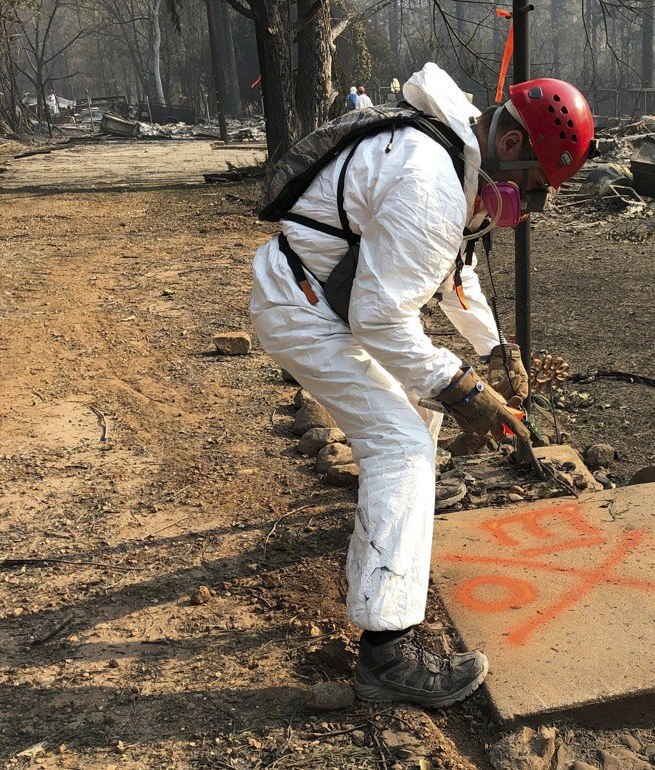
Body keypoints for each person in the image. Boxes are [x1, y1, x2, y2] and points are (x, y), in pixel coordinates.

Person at [249, 64, 593, 706]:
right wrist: (465, 390)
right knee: (403, 445)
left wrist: (494, 349)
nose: (531, 202)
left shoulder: (458, 154)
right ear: (512, 145)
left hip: (322, 295)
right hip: (304, 308)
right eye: (536, 186)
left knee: (417, 417)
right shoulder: (430, 182)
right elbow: (379, 317)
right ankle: (389, 653)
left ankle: (386, 556)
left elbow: (454, 274)